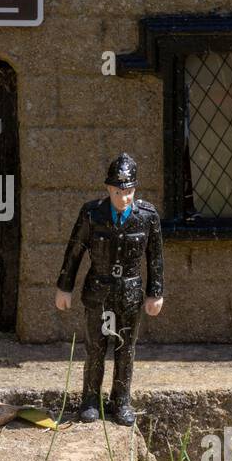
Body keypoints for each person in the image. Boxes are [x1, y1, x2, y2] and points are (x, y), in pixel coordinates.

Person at [54, 152, 164, 426]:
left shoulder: (146, 217)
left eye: (128, 192)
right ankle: (91, 398)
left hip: (129, 292)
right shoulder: (92, 214)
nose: (123, 198)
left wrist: (156, 292)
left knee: (125, 349)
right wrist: (64, 288)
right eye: (117, 192)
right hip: (99, 291)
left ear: (135, 190)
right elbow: (74, 252)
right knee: (95, 347)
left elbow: (155, 257)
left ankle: (121, 400)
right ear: (108, 189)